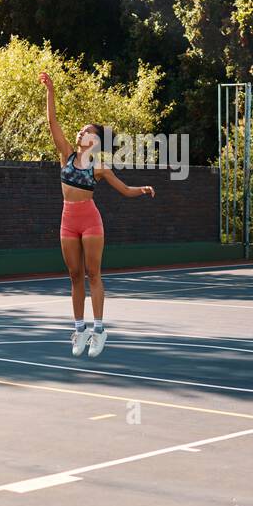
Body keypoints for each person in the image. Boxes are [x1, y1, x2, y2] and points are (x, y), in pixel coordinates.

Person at [40, 72, 155, 357]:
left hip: (90, 220)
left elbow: (125, 190)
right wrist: (50, 90)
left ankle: (99, 331)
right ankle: (79, 330)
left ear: (95, 140)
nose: (80, 133)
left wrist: (142, 189)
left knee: (93, 274)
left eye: (86, 131)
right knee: (74, 274)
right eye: (79, 130)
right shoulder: (65, 154)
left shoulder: (100, 167)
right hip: (68, 220)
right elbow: (52, 122)